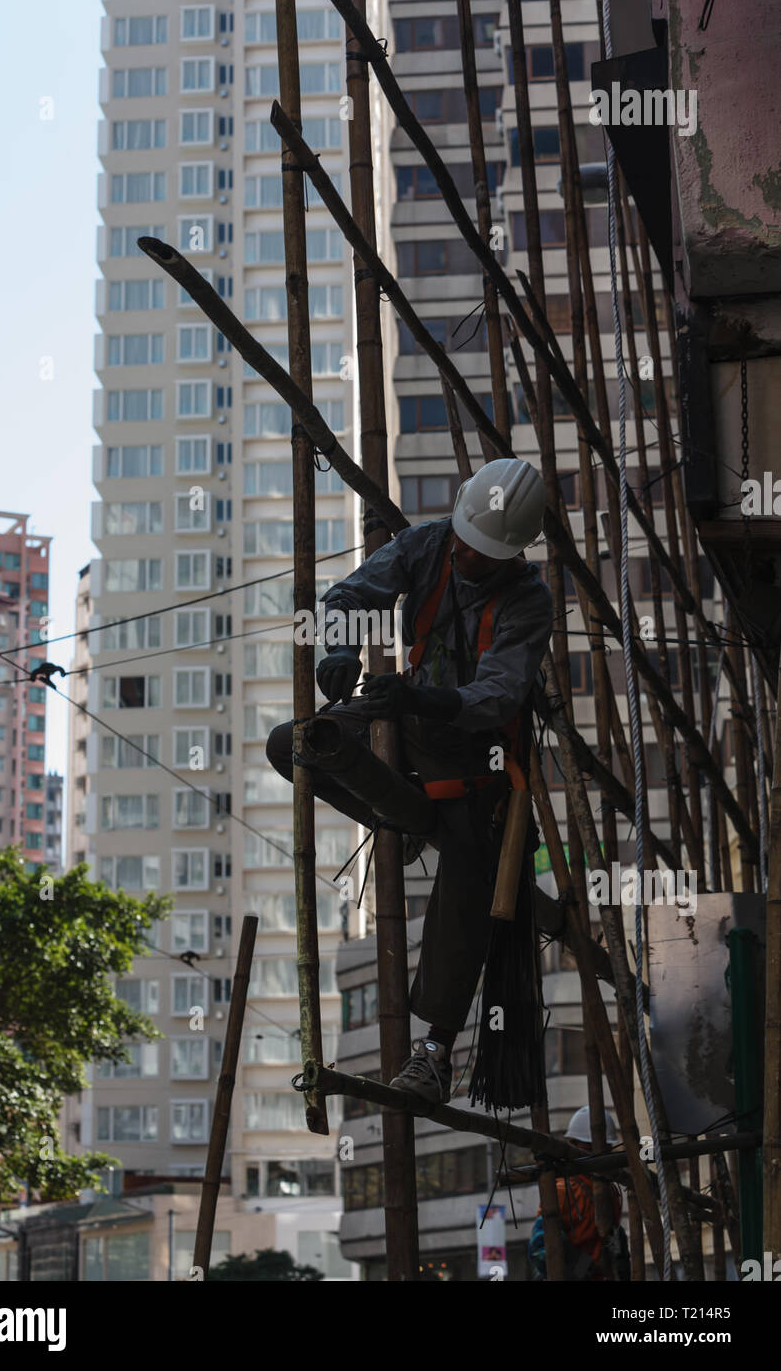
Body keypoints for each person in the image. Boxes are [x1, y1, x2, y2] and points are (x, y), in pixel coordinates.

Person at [266, 457, 552, 1103]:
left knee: (470, 881)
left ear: (510, 556)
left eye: (480, 553)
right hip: (406, 728)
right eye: (463, 541)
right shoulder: (428, 545)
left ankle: (435, 1051)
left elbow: (497, 696)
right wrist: (340, 648)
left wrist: (419, 702)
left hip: (478, 767)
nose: (464, 556)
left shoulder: (529, 603)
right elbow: (345, 597)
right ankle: (404, 816)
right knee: (296, 745)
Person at [528, 1106, 629, 1281]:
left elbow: (615, 1240)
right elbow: (540, 1248)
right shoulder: (562, 1192)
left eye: (604, 1146)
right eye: (590, 1146)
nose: (598, 1150)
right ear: (573, 1145)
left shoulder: (611, 1192)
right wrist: (581, 1269)